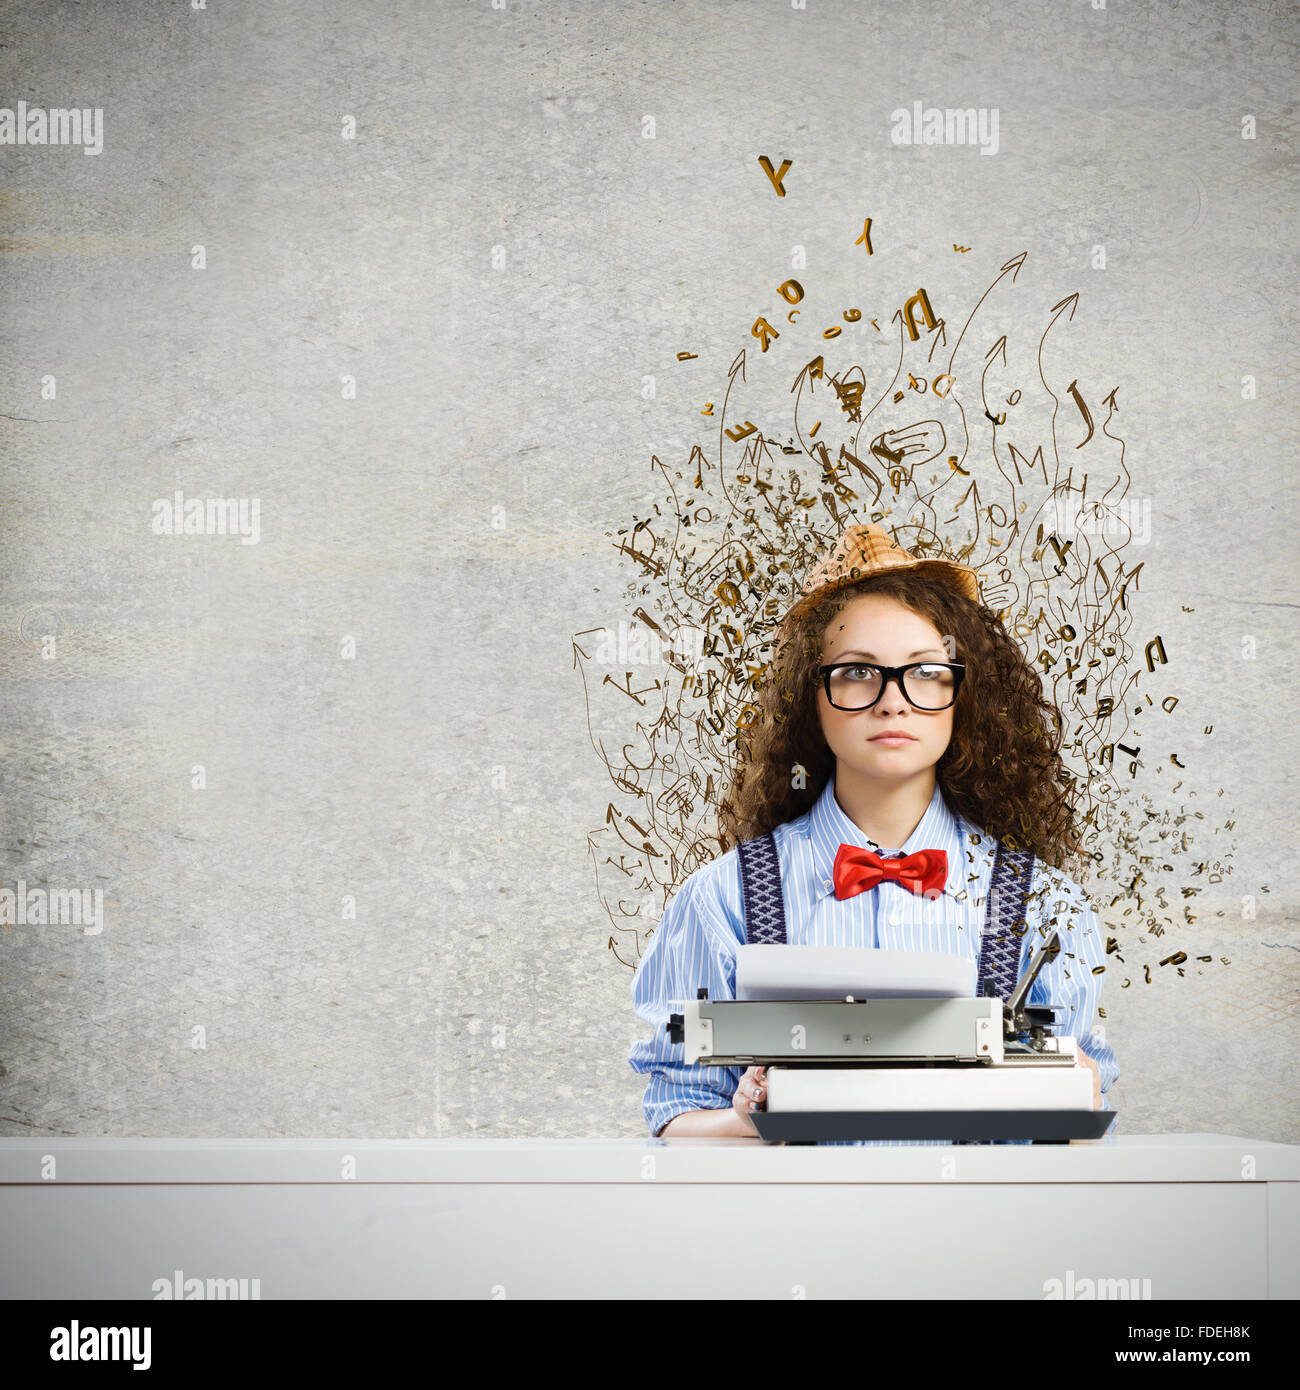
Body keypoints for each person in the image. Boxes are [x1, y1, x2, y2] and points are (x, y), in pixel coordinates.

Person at [627, 521, 1119, 1144]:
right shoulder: (722, 898)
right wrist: (746, 1122)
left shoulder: (1044, 904)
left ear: (964, 691)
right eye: (857, 671)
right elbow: (674, 1118)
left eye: (925, 671)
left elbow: (1081, 1140)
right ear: (809, 696)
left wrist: (1075, 1099)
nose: (892, 701)